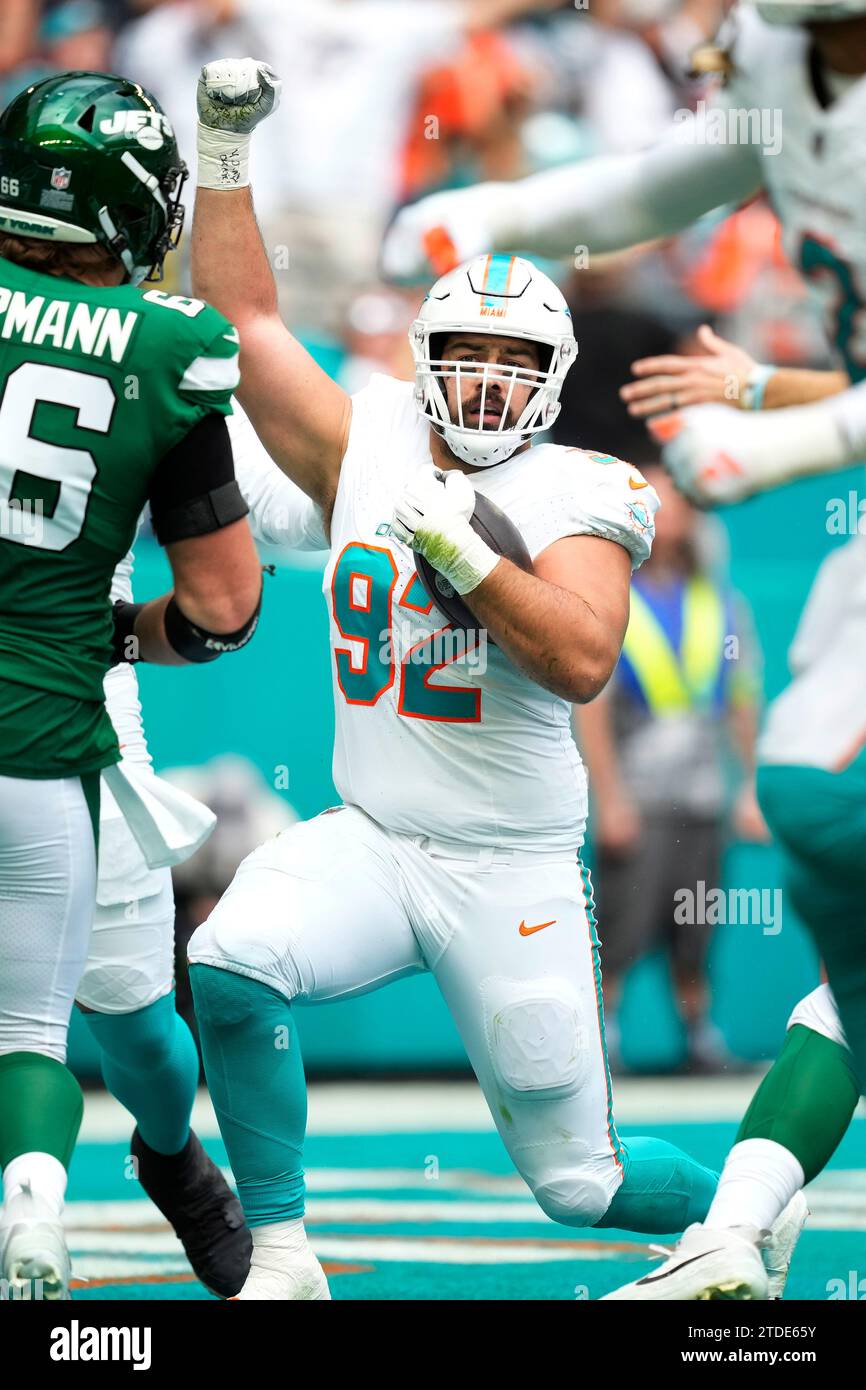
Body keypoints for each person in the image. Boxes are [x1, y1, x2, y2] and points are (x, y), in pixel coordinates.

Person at [178, 57, 811, 1303]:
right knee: (233, 958)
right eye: (460, 350)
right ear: (421, 354)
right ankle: (286, 1257)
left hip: (509, 863)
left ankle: (744, 1219)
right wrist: (223, 148)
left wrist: (463, 549)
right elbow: (246, 322)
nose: (481, 377)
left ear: (553, 375)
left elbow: (579, 660)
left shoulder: (584, 487)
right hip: (370, 832)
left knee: (580, 1184)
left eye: (510, 355)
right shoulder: (365, 435)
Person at [380, 0, 866, 1296]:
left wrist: (783, 439)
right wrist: (498, 222)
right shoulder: (779, 62)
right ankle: (729, 1231)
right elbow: (656, 183)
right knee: (829, 854)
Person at [0, 69, 263, 1299]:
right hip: (61, 696)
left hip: (65, 692)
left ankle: (175, 1163)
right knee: (84, 1014)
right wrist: (117, 628)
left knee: (121, 996)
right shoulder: (172, 352)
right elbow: (223, 610)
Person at [576, 464, 765, 1074]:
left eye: (675, 500)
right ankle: (602, 1041)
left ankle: (700, 1038)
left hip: (704, 797)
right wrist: (611, 799)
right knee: (621, 925)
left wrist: (751, 788)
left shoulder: (721, 605)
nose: (665, 512)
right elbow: (595, 714)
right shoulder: (615, 602)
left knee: (697, 927)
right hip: (642, 799)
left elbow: (741, 700)